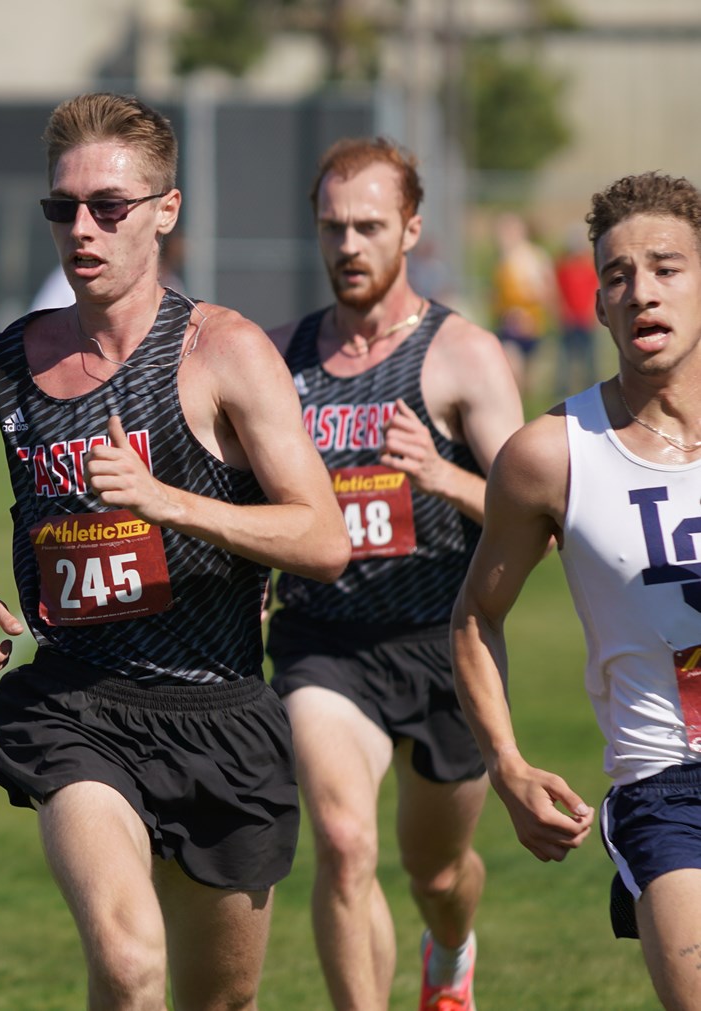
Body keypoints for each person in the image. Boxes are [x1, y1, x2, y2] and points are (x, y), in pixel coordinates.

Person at [0, 92, 349, 1010]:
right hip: (76, 704)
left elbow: (321, 539)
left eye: (109, 207)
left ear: (165, 212)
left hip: (221, 708)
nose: (82, 228)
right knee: (130, 959)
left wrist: (165, 502)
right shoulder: (4, 361)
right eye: (62, 208)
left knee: (216, 999)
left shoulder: (223, 351)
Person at [264, 137, 525, 1011]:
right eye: (332, 227)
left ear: (410, 229)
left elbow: (545, 522)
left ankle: (448, 957)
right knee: (341, 840)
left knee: (438, 871)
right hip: (322, 643)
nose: (348, 246)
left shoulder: (465, 356)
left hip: (443, 641)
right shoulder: (281, 358)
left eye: (368, 226)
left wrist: (443, 476)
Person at [452, 171, 701, 1011]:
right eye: (619, 275)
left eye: (666, 267)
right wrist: (506, 764)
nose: (642, 292)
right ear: (595, 303)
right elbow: (474, 616)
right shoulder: (550, 455)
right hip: (666, 786)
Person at [490, 211, 558, 396]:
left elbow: (547, 290)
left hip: (531, 323)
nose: (502, 236)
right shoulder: (502, 259)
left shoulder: (533, 257)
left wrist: (527, 308)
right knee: (512, 371)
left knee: (527, 380)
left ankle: (526, 410)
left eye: (507, 230)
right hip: (507, 325)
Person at [554, 223, 601, 397]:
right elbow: (558, 289)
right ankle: (562, 387)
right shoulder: (563, 265)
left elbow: (594, 288)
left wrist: (591, 311)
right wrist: (563, 310)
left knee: (590, 358)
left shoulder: (589, 264)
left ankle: (591, 385)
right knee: (565, 359)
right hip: (569, 319)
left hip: (585, 320)